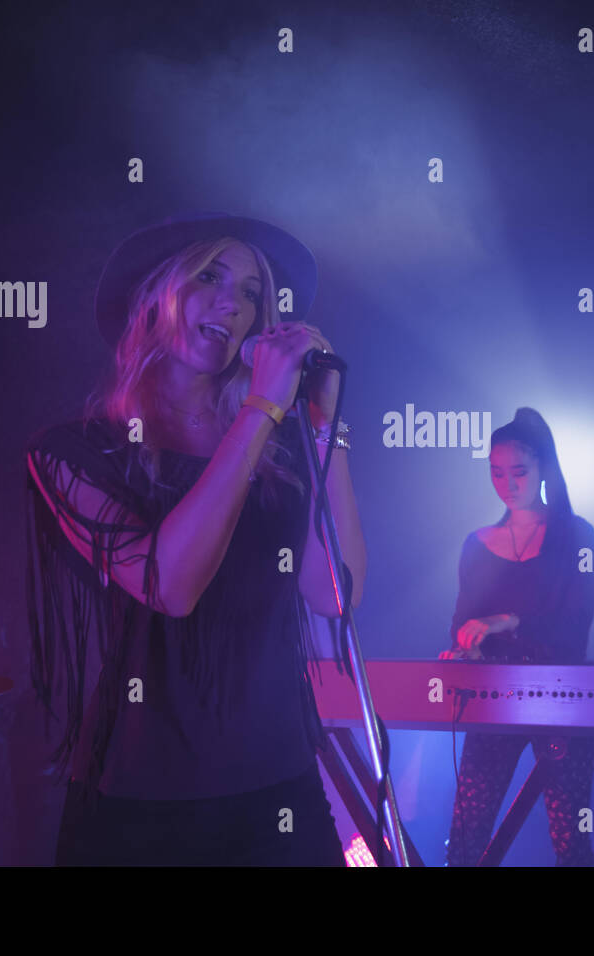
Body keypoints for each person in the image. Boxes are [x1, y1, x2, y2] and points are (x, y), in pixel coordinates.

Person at [24, 213, 366, 865]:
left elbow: (334, 595)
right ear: (154, 296)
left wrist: (322, 428)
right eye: (208, 276)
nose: (229, 304)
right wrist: (262, 410)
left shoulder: (282, 452)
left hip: (277, 783)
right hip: (143, 798)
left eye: (248, 292)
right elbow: (170, 586)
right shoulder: (75, 453)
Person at [439, 408, 594, 866]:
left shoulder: (578, 538)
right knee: (467, 840)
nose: (506, 484)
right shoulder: (477, 543)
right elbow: (461, 622)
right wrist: (462, 648)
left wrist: (510, 621)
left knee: (571, 840)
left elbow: (574, 631)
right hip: (493, 698)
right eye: (496, 473)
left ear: (543, 469)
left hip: (565, 700)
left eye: (518, 473)